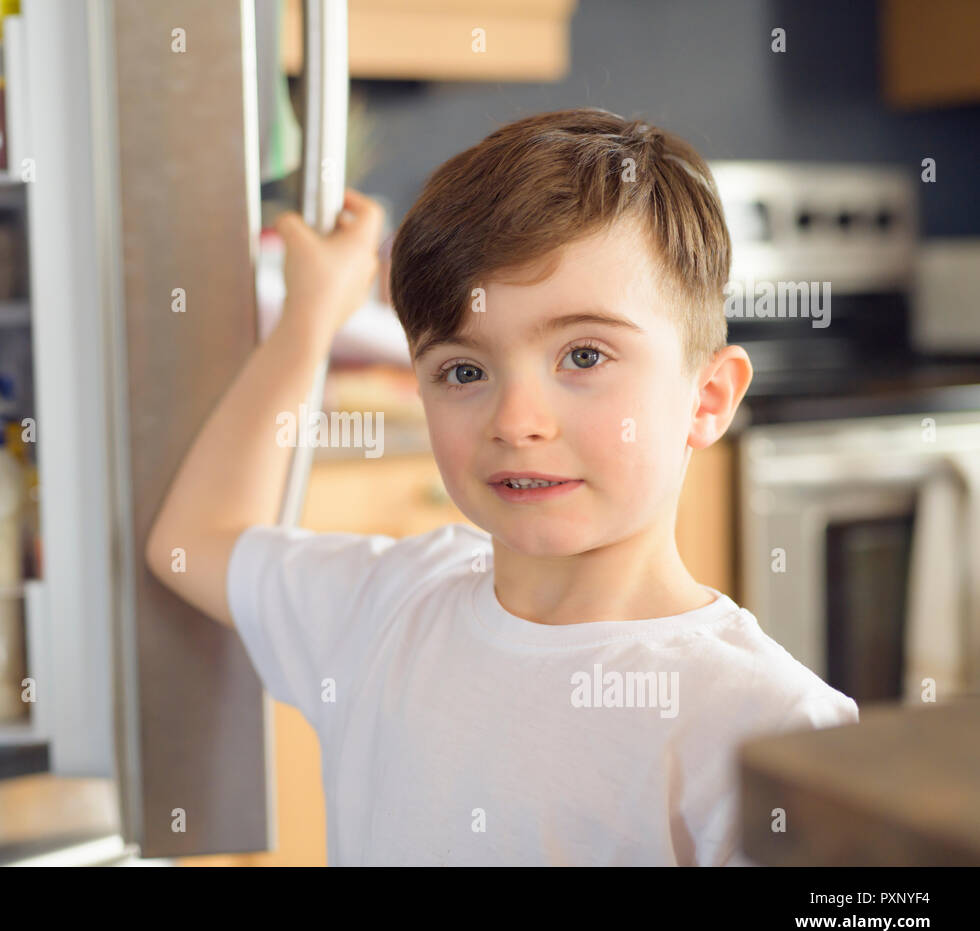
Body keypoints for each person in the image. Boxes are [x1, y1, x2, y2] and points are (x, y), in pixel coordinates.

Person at [144, 108, 858, 866]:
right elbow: (191, 542)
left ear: (708, 398)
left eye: (584, 356)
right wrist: (310, 318)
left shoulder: (772, 731)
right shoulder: (385, 608)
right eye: (464, 371)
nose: (516, 420)